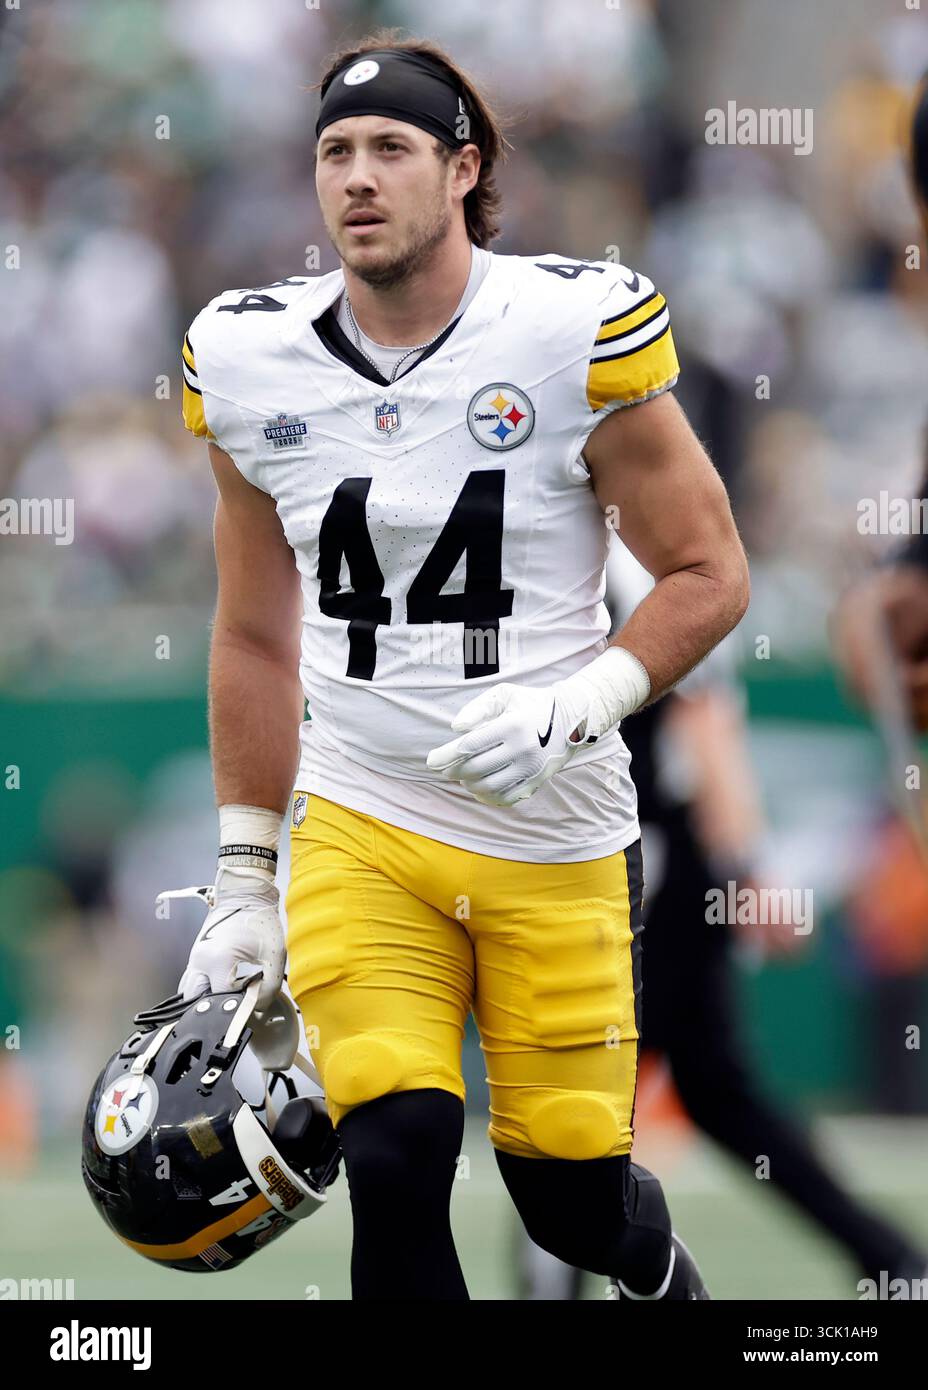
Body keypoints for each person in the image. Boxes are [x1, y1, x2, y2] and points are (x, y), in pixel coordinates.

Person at [177, 33, 749, 1301]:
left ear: (464, 168)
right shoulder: (247, 352)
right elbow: (254, 633)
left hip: (552, 828)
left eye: (391, 148)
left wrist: (582, 697)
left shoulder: (569, 325)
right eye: (334, 152)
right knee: (390, 1149)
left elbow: (711, 572)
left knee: (570, 1204)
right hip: (364, 816)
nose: (357, 178)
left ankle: (655, 1270)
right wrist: (240, 871)